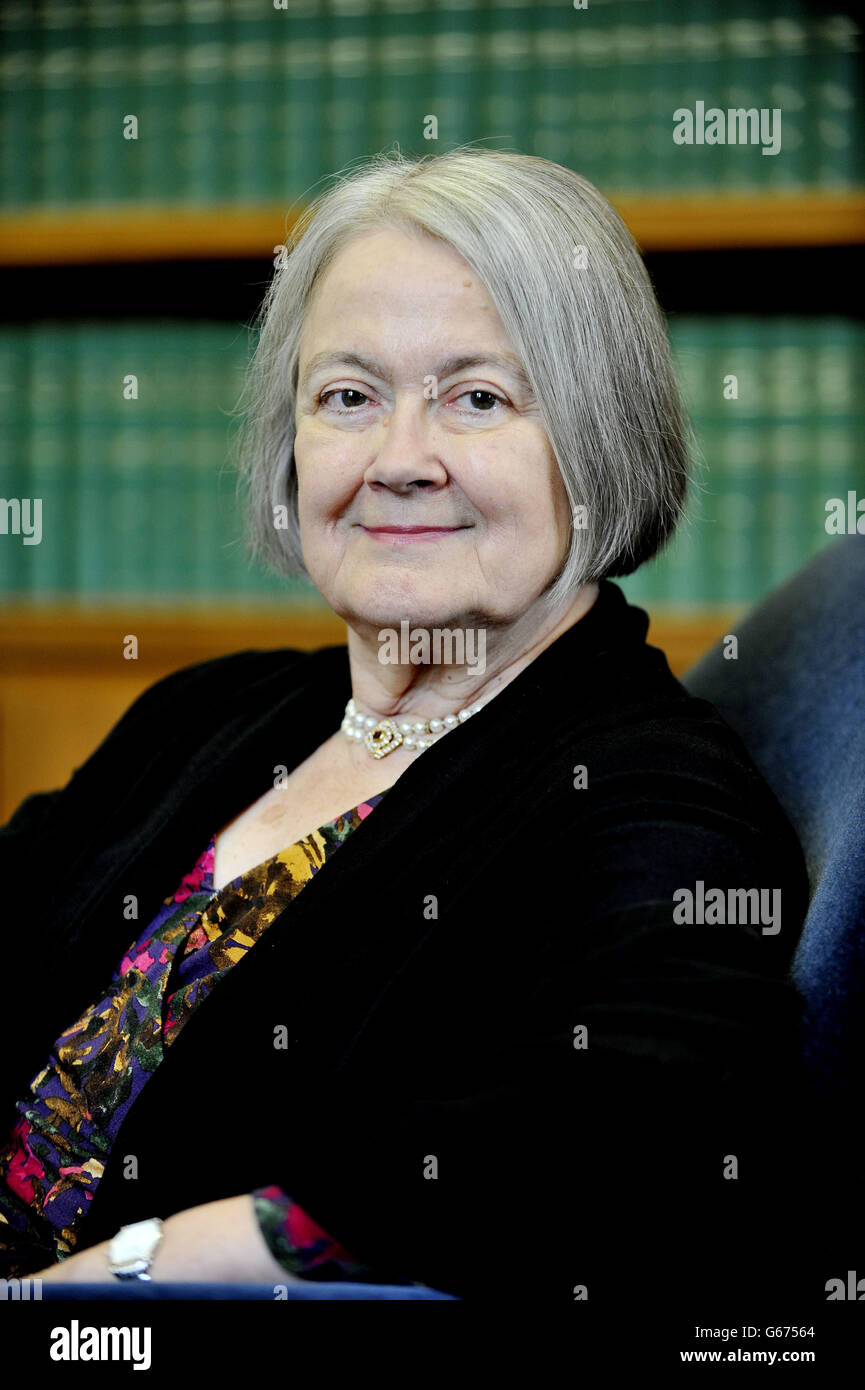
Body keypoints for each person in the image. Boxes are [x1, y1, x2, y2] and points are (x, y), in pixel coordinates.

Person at [0, 147, 812, 1303]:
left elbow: (636, 1120)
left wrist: (143, 1271)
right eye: (348, 397)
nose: (399, 461)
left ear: (596, 438)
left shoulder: (647, 797)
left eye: (477, 398)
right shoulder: (207, 712)